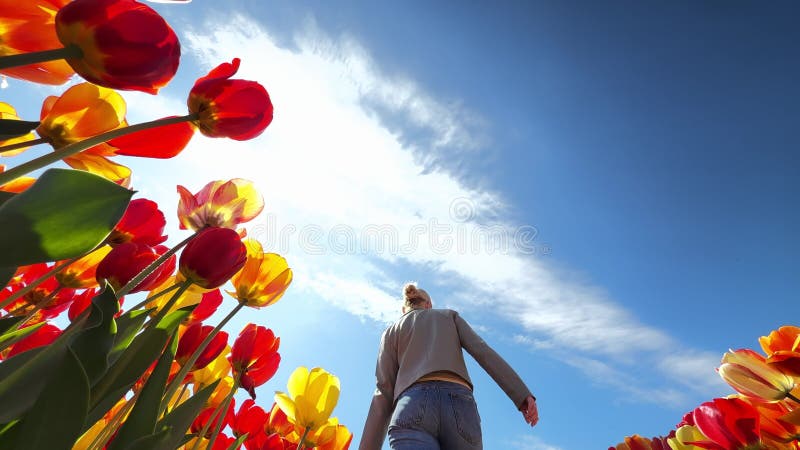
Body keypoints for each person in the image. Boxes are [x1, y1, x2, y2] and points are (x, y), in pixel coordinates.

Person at [359, 283, 538, 450]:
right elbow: (483, 352)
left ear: (404, 309)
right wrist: (521, 394)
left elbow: (383, 392)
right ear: (428, 304)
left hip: (411, 405)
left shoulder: (391, 332)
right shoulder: (449, 316)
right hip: (460, 405)